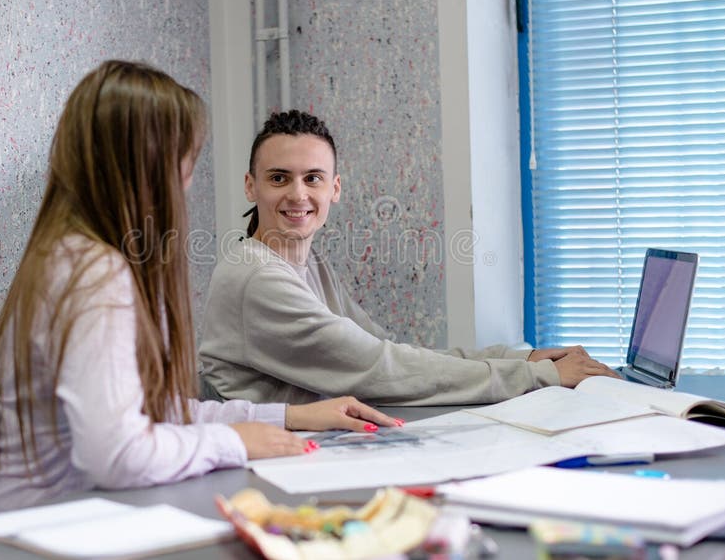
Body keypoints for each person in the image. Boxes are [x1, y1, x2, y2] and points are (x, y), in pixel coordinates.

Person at [0, 63, 398, 513]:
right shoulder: (94, 277)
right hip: (55, 533)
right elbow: (118, 456)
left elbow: (156, 413)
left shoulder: (75, 258)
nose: (188, 181)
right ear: (147, 165)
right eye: (186, 161)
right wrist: (230, 441)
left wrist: (288, 418)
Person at [199, 110, 618, 406]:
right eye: (278, 178)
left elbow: (386, 348)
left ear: (336, 188)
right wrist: (537, 377)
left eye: (313, 178)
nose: (298, 194)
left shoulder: (308, 266)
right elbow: (379, 368)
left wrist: (517, 358)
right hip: (268, 468)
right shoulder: (258, 277)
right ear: (251, 186)